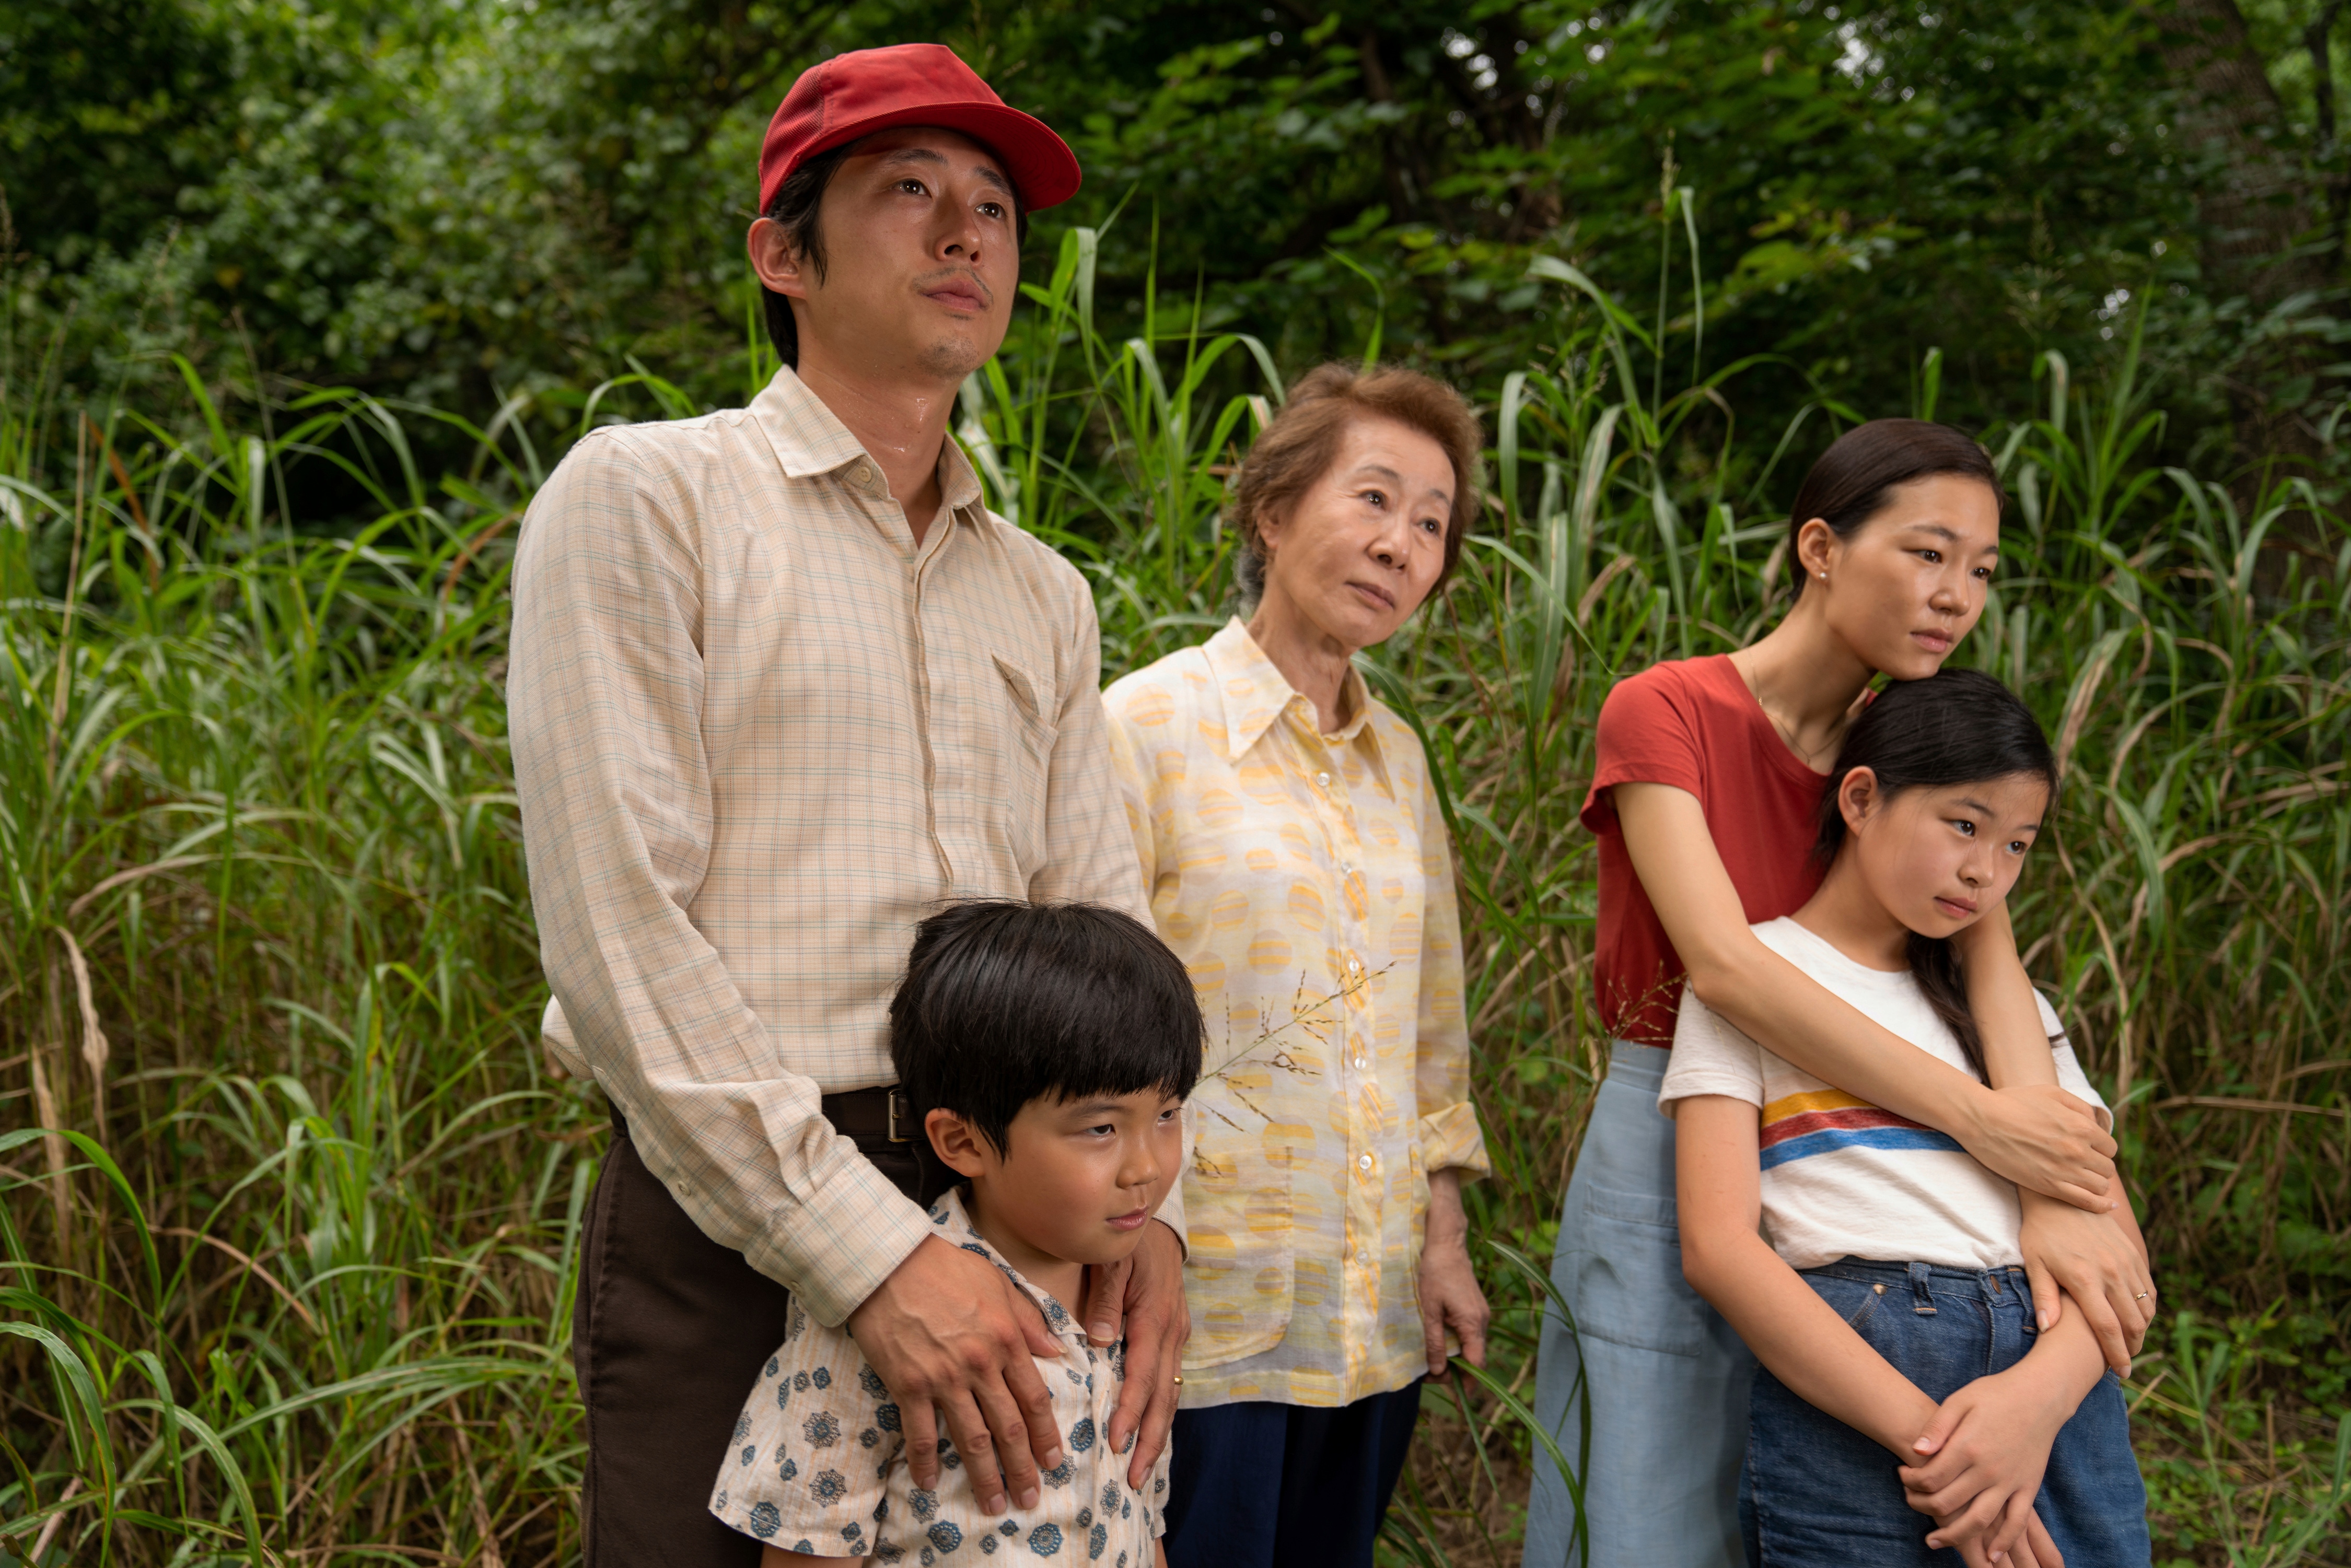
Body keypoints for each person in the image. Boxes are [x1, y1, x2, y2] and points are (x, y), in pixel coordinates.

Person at [508, 44, 1186, 1566]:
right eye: (909, 193)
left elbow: (1100, 937)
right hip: (730, 1214)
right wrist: (872, 1258)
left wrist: (1146, 1212)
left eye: (997, 208)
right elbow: (620, 938)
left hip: (1017, 1198)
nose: (968, 236)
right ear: (782, 254)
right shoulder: (645, 499)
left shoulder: (1044, 593)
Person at [1521, 420, 2158, 1566]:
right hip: (1686, 1108)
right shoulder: (1665, 710)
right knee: (1651, 1498)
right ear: (1821, 546)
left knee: (1817, 1485)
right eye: (1927, 553)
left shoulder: (1905, 741)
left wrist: (2052, 1183)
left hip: (1861, 1154)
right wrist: (1979, 1119)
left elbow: (1987, 963)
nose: (1955, 594)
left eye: (1980, 571)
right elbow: (1724, 967)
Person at [1102, 363, 1493, 1568]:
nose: (1398, 545)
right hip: (1195, 1308)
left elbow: (1428, 1021)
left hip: (1369, 1315)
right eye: (1371, 498)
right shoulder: (1146, 726)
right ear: (1273, 509)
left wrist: (1440, 1234)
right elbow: (1088, 1030)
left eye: (1430, 524)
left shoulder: (1401, 759)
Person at [1668, 668, 2152, 1567]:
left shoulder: (2007, 1013)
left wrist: (2031, 1407)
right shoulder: (1760, 983)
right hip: (1860, 1381)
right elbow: (1720, 1248)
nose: (1985, 870)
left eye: (2017, 845)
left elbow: (2118, 1258)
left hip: (2054, 1386)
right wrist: (1942, 1445)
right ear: (1861, 798)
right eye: (1965, 825)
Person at [710, 900, 1198, 1566]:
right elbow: (810, 1542)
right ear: (962, 1140)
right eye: (1101, 1128)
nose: (1147, 1167)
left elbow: (1144, 1518)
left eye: (1167, 1113)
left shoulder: (1139, 1320)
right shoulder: (878, 1330)